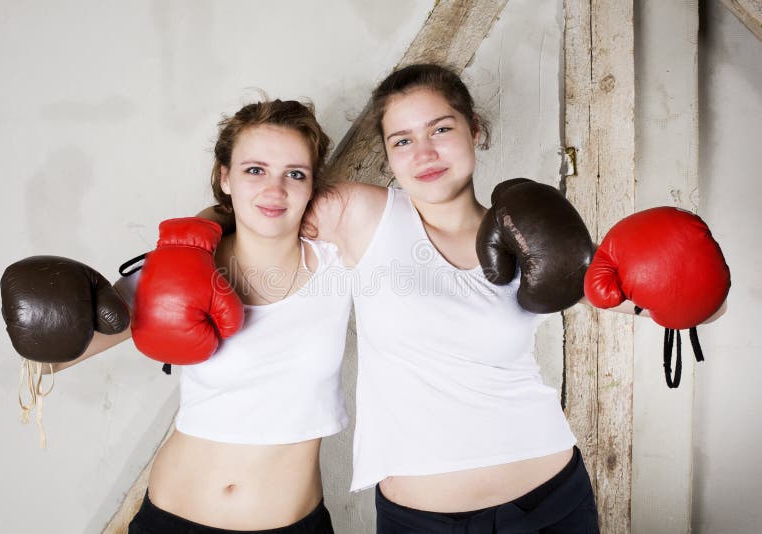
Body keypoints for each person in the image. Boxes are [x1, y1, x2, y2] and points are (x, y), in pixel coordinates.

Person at [273, 64, 725, 532]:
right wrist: (212, 255)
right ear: (388, 155)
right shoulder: (360, 214)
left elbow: (695, 306)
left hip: (551, 502)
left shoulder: (527, 235)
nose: (424, 153)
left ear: (474, 129)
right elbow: (254, 212)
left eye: (441, 129)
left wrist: (673, 265)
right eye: (402, 141)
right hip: (421, 522)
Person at [1, 99, 351, 534]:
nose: (274, 189)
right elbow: (50, 360)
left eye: (294, 173)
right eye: (255, 170)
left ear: (313, 183)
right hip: (172, 519)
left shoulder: (342, 265)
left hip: (290, 523)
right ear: (225, 177)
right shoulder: (175, 269)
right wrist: (49, 313)